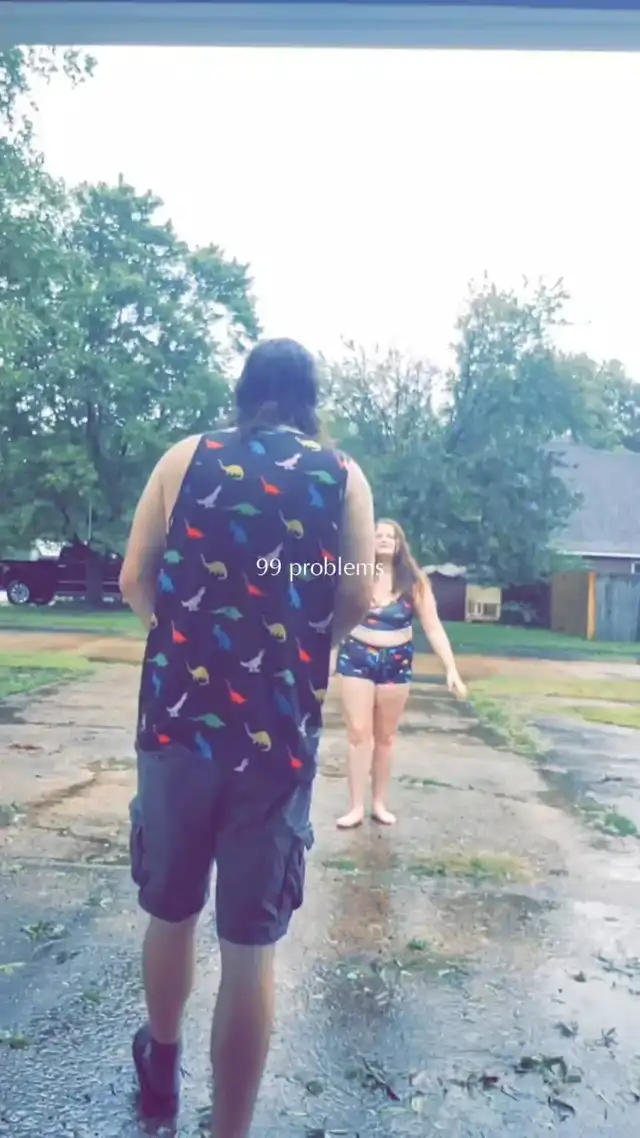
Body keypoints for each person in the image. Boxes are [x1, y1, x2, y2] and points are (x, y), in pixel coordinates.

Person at [119, 338, 375, 1135]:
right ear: (310, 399)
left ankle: (161, 1068)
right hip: (276, 733)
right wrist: (300, 649)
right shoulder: (342, 477)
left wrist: (180, 637)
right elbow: (355, 597)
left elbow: (134, 577)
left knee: (171, 911)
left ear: (242, 393)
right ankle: (230, 1127)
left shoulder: (182, 459)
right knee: (248, 947)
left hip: (176, 724)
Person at [335, 517, 467, 829]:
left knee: (385, 738)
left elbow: (433, 627)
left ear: (398, 544)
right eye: (378, 535)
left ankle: (379, 804)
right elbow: (332, 615)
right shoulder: (354, 573)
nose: (383, 539)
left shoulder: (414, 582)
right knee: (358, 734)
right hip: (356, 659)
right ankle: (355, 807)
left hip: (396, 663)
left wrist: (451, 669)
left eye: (389, 536)